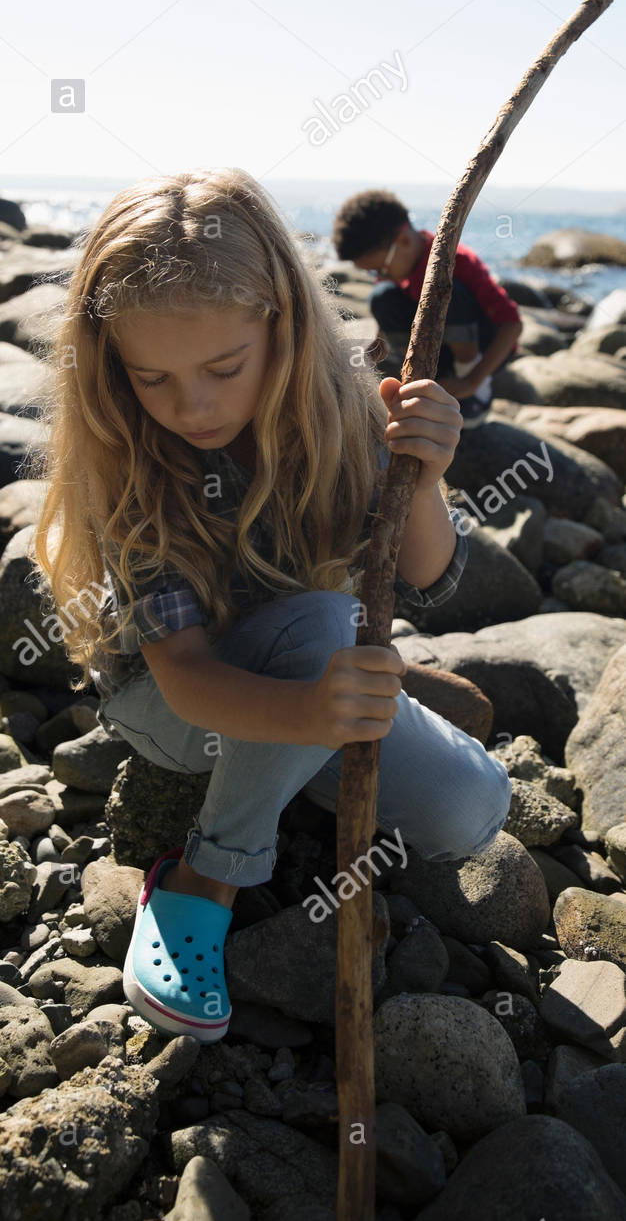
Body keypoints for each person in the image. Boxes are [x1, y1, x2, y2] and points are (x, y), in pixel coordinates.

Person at [31, 167, 512, 1044]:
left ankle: (327, 724)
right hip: (179, 712)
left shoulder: (343, 415)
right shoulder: (136, 464)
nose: (193, 406)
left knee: (472, 809)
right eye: (153, 378)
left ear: (283, 328)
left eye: (224, 367)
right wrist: (310, 706)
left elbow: (434, 578)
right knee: (328, 630)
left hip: (303, 679)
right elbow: (186, 680)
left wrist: (426, 479)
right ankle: (200, 880)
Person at [332, 189, 523, 429]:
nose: (378, 275)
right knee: (382, 297)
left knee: (446, 291)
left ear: (403, 241)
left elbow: (513, 324)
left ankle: (474, 395)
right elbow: (382, 328)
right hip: (442, 342)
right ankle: (432, 378)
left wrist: (473, 381)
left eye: (380, 269)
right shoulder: (396, 264)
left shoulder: (456, 261)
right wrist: (362, 362)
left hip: (484, 346)